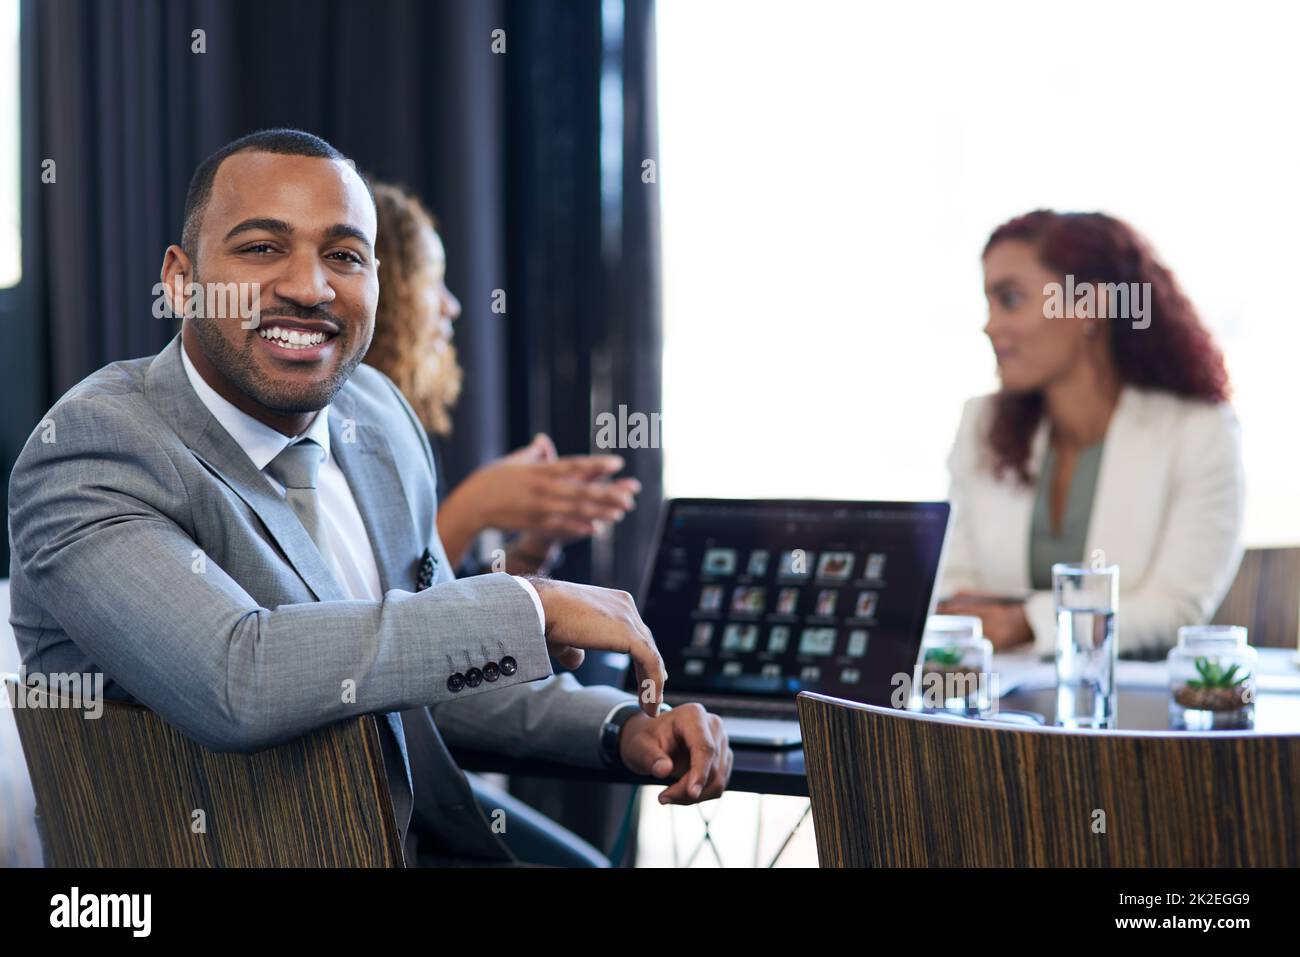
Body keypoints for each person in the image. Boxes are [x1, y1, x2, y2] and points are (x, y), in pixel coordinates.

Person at [6, 129, 732, 868]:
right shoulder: (92, 446)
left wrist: (619, 728)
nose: (309, 287)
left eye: (344, 256)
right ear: (181, 280)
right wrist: (528, 603)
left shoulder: (378, 415)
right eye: (261, 248)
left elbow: (437, 672)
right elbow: (235, 677)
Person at [937, 210, 1244, 657]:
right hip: (996, 705)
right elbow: (956, 592)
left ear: (1089, 305)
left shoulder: (1198, 431)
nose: (990, 325)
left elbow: (1175, 607)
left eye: (1009, 299)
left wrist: (1030, 622)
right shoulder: (980, 425)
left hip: (1131, 712)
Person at [363, 181, 639, 576]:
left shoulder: (406, 431)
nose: (451, 306)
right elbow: (387, 611)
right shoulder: (340, 435)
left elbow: (460, 602)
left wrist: (538, 543)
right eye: (431, 280)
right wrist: (473, 508)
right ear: (386, 293)